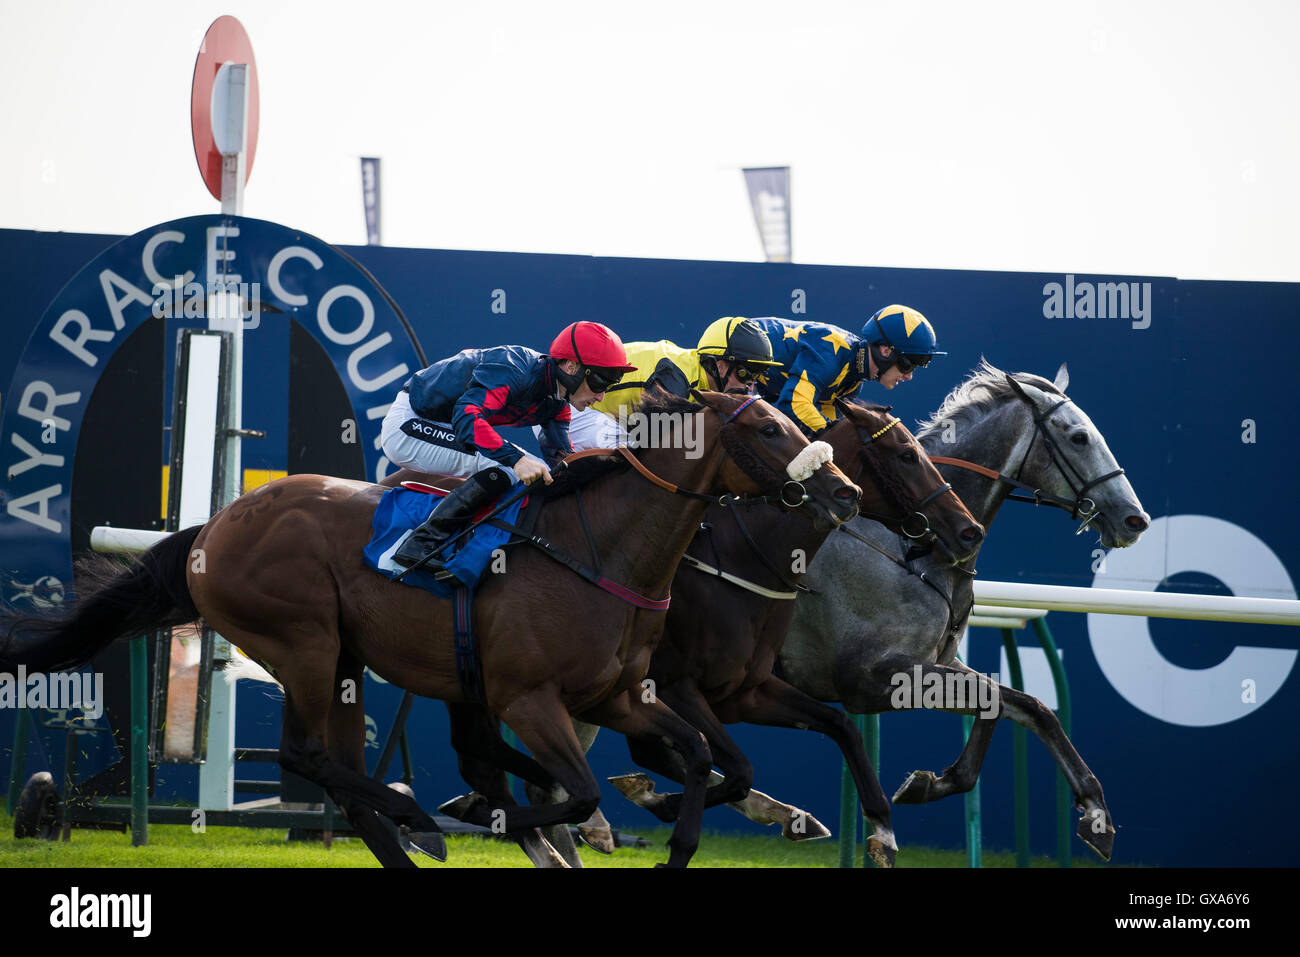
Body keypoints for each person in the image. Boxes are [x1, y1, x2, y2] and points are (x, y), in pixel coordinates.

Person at [380, 321, 636, 569]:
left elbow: (561, 461)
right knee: (508, 467)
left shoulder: (557, 402)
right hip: (410, 422)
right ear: (571, 367)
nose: (601, 396)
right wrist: (514, 459)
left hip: (444, 424)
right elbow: (467, 416)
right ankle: (418, 544)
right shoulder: (514, 368)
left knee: (531, 469)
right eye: (599, 383)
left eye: (609, 386)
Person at [563, 316, 784, 450]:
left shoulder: (699, 377)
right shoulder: (677, 376)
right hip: (570, 407)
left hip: (607, 416)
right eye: (746, 373)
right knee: (633, 454)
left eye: (757, 376)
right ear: (719, 364)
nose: (750, 386)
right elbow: (648, 438)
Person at [750, 305, 945, 435]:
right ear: (886, 351)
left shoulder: (852, 384)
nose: (909, 376)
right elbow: (793, 406)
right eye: (907, 364)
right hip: (727, 356)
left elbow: (825, 426)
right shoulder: (831, 350)